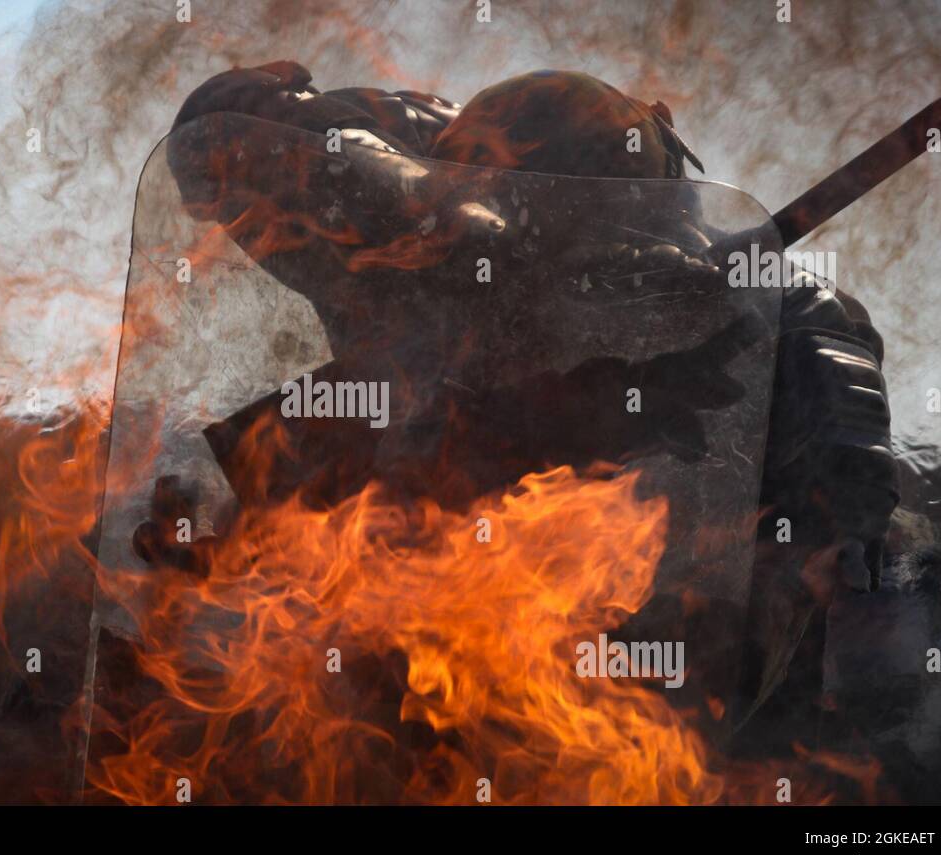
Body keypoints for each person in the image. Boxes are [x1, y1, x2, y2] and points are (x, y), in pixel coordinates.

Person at [139, 63, 899, 743]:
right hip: (382, 689)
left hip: (628, 706)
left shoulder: (785, 313)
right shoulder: (433, 282)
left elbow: (828, 538)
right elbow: (233, 146)